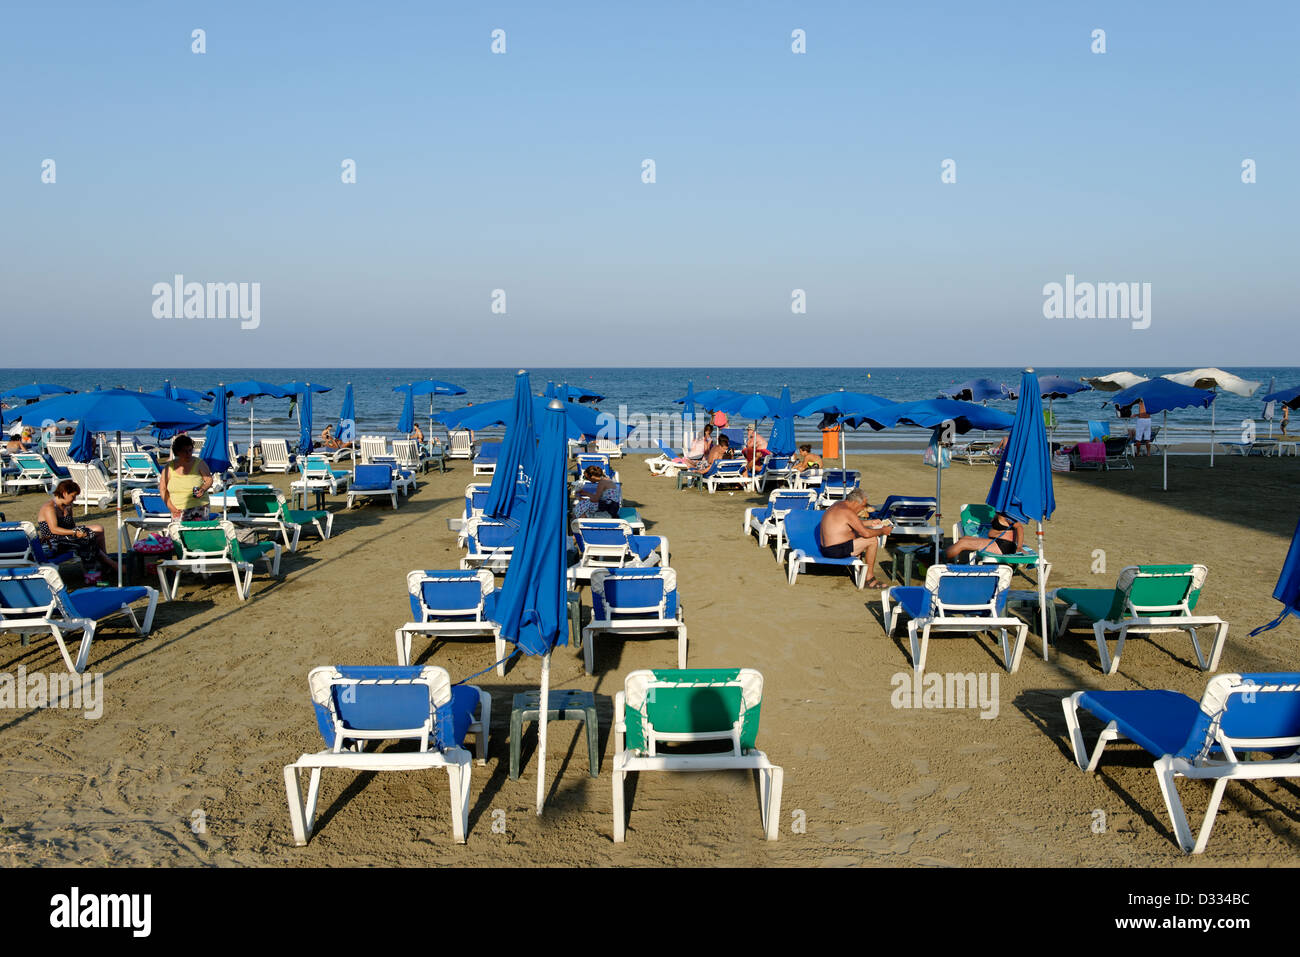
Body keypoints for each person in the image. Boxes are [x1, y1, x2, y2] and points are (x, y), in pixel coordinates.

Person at [37, 479, 118, 579]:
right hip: (53, 540)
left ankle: (103, 565)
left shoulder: (67, 506)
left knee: (97, 529)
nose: (74, 499)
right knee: (87, 538)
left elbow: (71, 525)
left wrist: (76, 531)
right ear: (65, 493)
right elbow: (54, 530)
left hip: (66, 536)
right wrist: (75, 532)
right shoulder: (49, 508)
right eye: (73, 496)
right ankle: (105, 567)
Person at [819, 488, 891, 587]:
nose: (863, 509)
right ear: (856, 503)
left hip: (827, 548)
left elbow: (846, 523)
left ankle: (861, 572)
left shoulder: (838, 505)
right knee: (872, 540)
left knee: (858, 535)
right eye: (863, 505)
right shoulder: (848, 512)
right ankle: (869, 579)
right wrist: (883, 531)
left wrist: (870, 522)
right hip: (835, 550)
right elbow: (866, 533)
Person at [159, 434, 213, 520]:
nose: (188, 454)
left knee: (198, 531)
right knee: (179, 532)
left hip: (199, 506)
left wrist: (203, 488)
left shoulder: (199, 463)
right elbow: (163, 489)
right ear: (177, 452)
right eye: (185, 451)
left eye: (190, 450)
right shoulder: (169, 467)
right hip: (177, 508)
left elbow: (209, 479)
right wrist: (170, 506)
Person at [945, 511, 1023, 561]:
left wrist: (1019, 547)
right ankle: (944, 554)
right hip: (997, 542)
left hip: (1003, 546)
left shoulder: (1007, 514)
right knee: (964, 538)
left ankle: (940, 558)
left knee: (963, 543)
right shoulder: (1000, 511)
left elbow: (1019, 527)